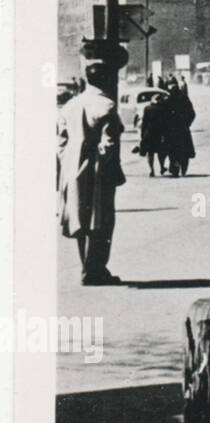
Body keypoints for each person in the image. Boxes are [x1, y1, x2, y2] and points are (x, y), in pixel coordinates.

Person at [57, 39, 128, 285]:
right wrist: (101, 162)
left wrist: (68, 162)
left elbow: (61, 141)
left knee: (80, 220)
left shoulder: (70, 105)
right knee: (102, 221)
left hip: (72, 169)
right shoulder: (106, 106)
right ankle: (95, 270)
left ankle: (86, 268)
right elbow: (108, 144)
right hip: (98, 171)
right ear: (107, 79)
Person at [164, 76, 196, 176]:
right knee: (184, 151)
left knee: (172, 151)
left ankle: (175, 168)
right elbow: (192, 113)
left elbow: (162, 114)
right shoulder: (184, 97)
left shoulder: (168, 99)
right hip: (182, 129)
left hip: (171, 130)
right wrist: (187, 123)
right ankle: (182, 168)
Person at [137, 91, 169, 177]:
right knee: (161, 152)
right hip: (160, 133)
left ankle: (151, 170)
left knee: (150, 153)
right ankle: (162, 167)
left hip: (149, 133)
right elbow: (165, 123)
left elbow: (144, 122)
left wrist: (142, 134)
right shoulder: (163, 109)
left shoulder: (147, 108)